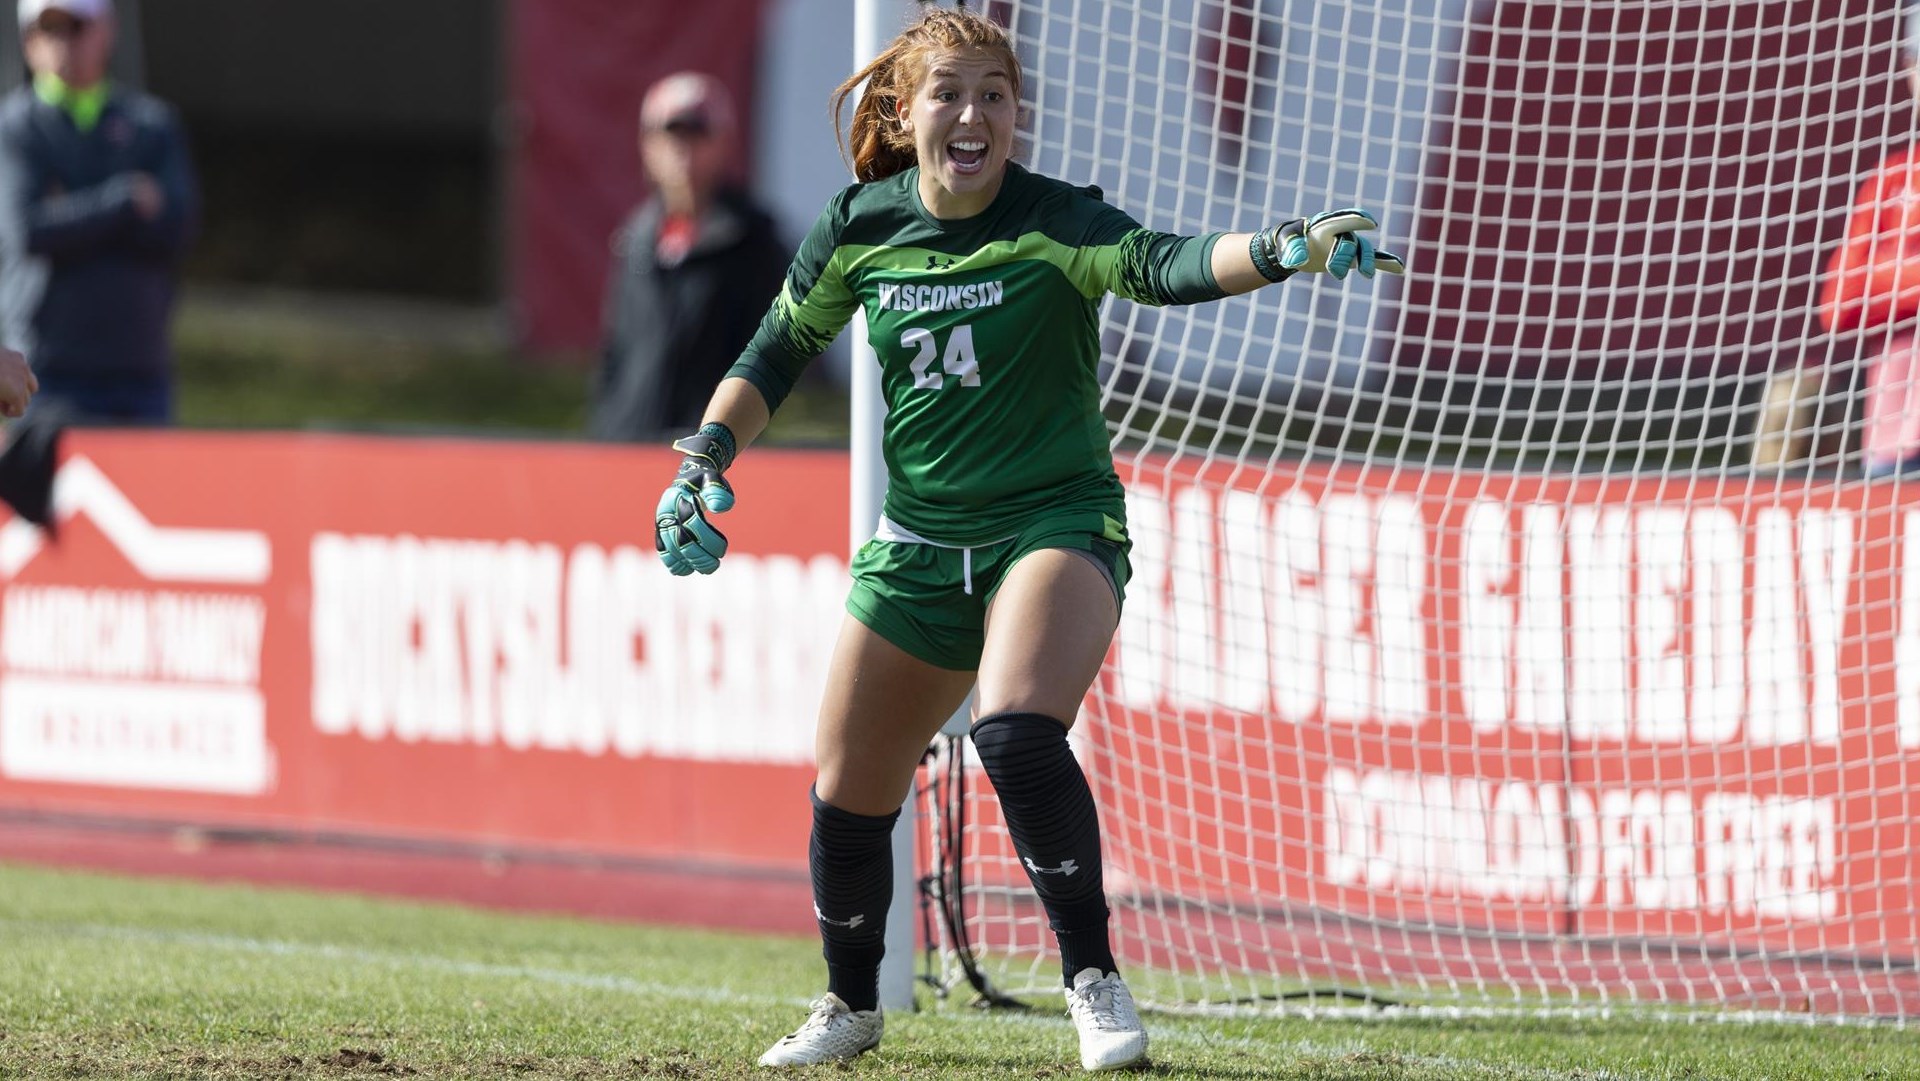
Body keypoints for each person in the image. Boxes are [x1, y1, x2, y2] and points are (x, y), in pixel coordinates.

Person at [652, 8, 1401, 1072]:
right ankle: (850, 1006)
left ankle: (1093, 980)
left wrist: (1284, 249)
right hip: (918, 546)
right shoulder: (860, 227)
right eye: (950, 94)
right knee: (847, 789)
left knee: (1011, 731)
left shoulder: (1056, 219)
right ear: (903, 114)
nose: (974, 114)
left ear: (1015, 113)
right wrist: (705, 459)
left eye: (994, 95)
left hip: (1053, 525)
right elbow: (776, 351)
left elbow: (1168, 264)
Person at [0, 0, 198, 425]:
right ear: (28, 41)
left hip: (139, 372)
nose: (62, 43)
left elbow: (177, 228)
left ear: (106, 32)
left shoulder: (152, 125)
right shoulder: (14, 127)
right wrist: (125, 201)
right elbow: (29, 230)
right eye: (48, 30)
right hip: (45, 370)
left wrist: (69, 214)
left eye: (75, 28)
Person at [590, 72, 789, 441]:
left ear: (724, 142)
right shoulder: (635, 238)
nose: (682, 149)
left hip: (710, 453)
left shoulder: (754, 241)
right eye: (671, 134)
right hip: (628, 445)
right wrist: (608, 431)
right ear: (647, 145)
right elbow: (615, 355)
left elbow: (772, 359)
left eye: (697, 133)